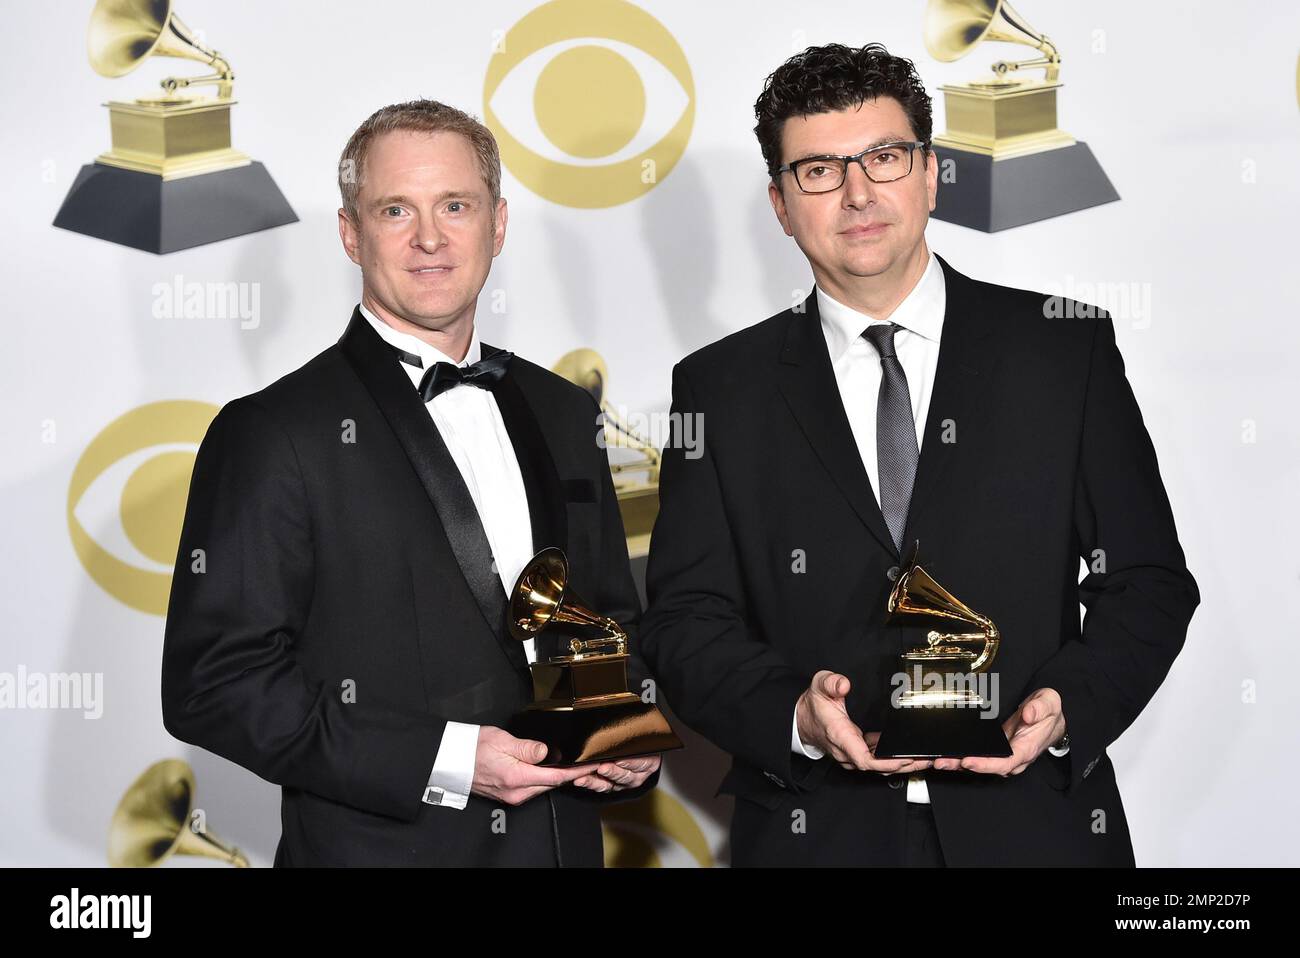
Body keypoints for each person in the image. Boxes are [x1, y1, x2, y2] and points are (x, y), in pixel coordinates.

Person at [638, 44, 1198, 866]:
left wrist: (1063, 707)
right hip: (814, 835)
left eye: (885, 158)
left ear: (931, 174)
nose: (858, 192)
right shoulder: (720, 388)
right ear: (781, 204)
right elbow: (686, 622)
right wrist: (791, 712)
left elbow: (1148, 582)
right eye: (819, 170)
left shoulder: (1061, 350)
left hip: (1036, 827)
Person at [161, 99, 659, 867]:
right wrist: (448, 761)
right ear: (351, 234)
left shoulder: (562, 411)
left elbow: (604, 615)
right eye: (396, 209)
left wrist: (624, 729)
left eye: (455, 206)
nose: (430, 237)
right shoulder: (272, 431)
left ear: (496, 224)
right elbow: (216, 683)